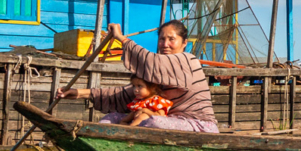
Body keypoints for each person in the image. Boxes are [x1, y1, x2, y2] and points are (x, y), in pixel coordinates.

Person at [59, 20, 218, 133]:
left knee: (153, 122)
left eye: (171, 39)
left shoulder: (188, 61)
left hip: (198, 126)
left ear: (184, 43)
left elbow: (152, 61)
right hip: (169, 124)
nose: (165, 44)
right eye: (161, 39)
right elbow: (123, 93)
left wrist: (120, 38)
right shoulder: (159, 72)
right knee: (112, 118)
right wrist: (78, 93)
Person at [97, 76, 174, 127]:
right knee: (122, 119)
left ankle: (131, 129)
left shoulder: (158, 101)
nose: (135, 90)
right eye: (134, 86)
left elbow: (160, 116)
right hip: (136, 124)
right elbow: (133, 114)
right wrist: (124, 121)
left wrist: (145, 110)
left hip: (149, 126)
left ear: (152, 87)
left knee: (143, 116)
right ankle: (123, 130)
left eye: (139, 86)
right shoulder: (138, 102)